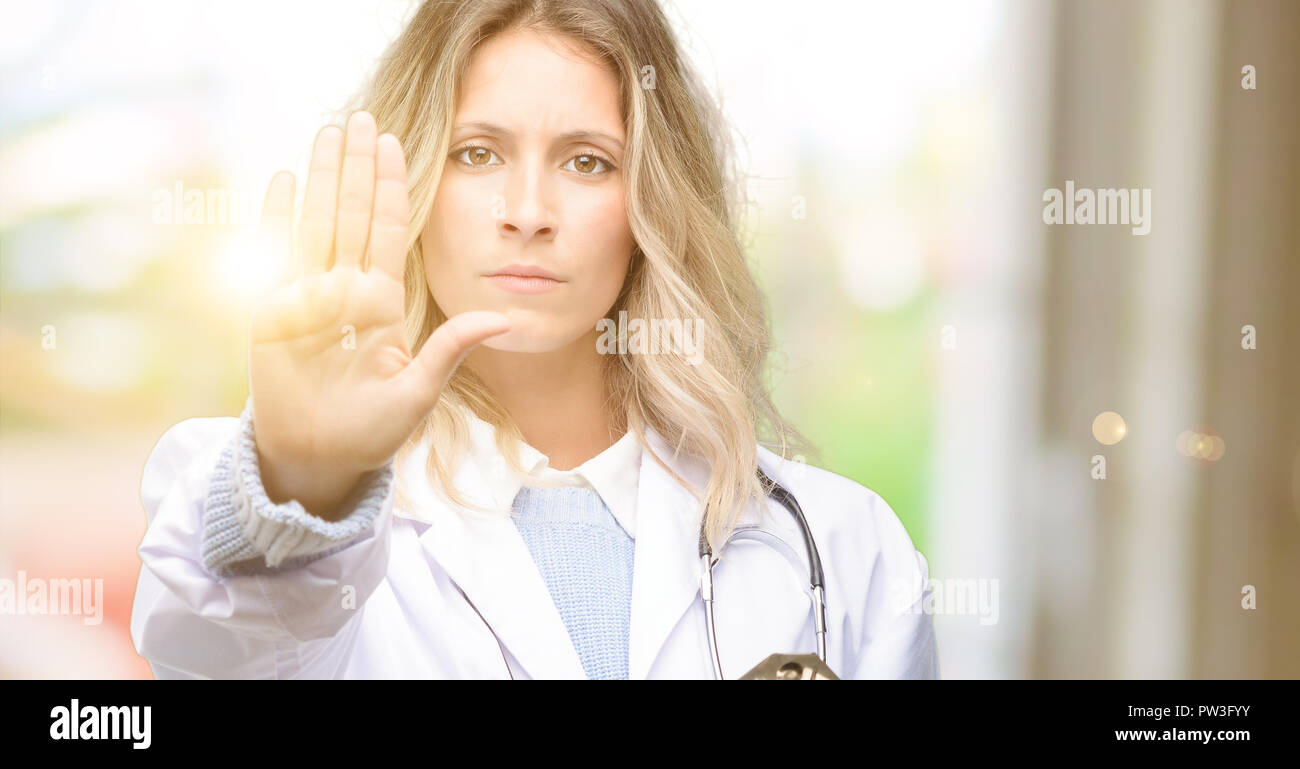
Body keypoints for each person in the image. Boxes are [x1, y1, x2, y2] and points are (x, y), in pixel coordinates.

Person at [129, 0, 940, 680]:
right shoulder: (267, 499)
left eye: (586, 162)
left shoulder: (839, 546)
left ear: (652, 200)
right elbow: (217, 646)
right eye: (477, 153)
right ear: (412, 180)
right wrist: (306, 489)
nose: (527, 210)